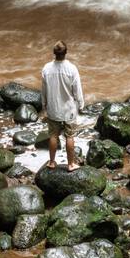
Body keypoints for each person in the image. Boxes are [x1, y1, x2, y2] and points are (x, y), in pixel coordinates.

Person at [41, 40, 84, 170]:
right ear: (66, 52)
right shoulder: (71, 68)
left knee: (53, 135)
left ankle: (52, 162)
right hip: (68, 109)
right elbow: (77, 89)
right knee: (69, 136)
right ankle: (71, 164)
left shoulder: (46, 68)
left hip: (53, 108)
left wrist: (44, 106)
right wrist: (81, 104)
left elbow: (44, 90)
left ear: (54, 53)